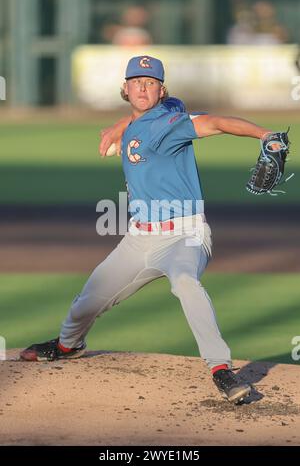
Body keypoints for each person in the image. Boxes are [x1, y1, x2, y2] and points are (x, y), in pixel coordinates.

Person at [20, 55, 281, 404]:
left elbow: (216, 122)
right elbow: (139, 115)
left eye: (151, 83)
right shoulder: (148, 114)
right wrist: (122, 125)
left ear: (162, 90)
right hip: (138, 238)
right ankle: (68, 345)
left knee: (186, 284)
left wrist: (265, 134)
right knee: (87, 301)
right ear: (125, 89)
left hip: (184, 235)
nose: (144, 87)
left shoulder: (171, 121)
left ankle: (221, 369)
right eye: (137, 82)